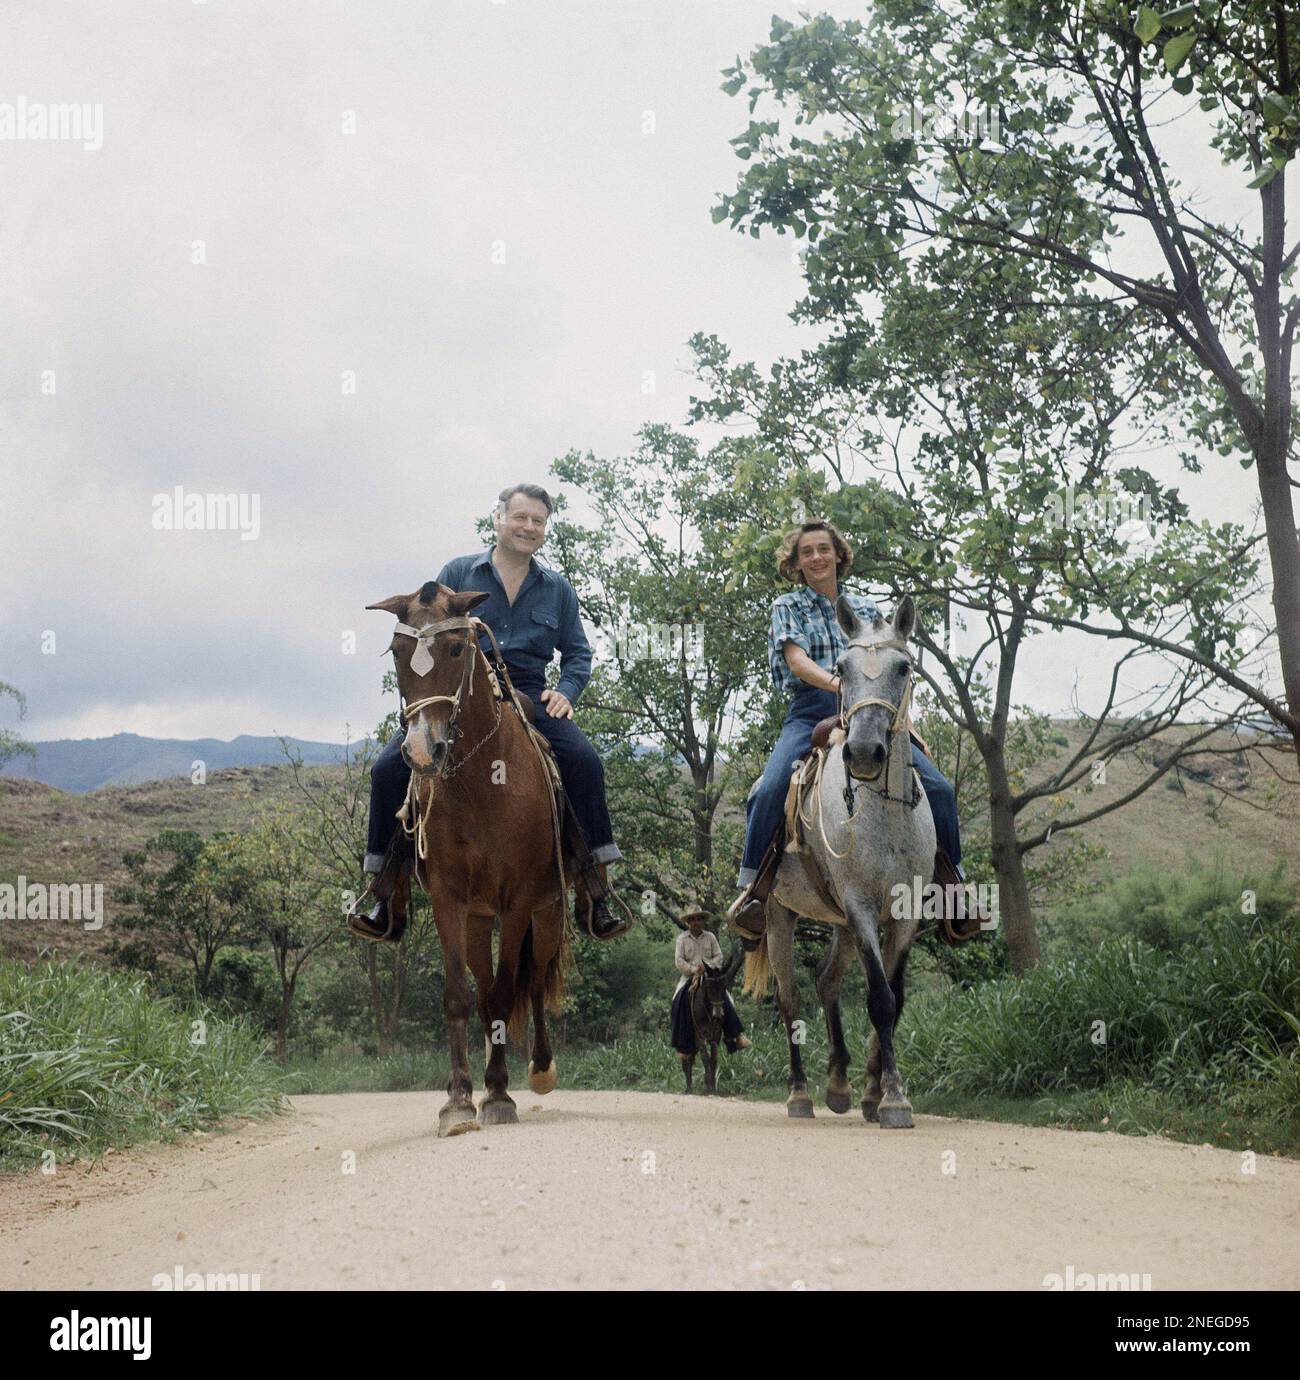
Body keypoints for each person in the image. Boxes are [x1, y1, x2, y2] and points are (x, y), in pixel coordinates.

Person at [350, 483, 631, 943]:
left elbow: (578, 653)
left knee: (584, 761)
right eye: (520, 517)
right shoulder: (459, 571)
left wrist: (568, 691)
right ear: (498, 519)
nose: (529, 527)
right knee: (386, 769)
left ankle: (595, 888)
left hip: (529, 695)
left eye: (538, 521)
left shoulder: (556, 589)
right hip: (461, 694)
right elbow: (428, 634)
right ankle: (386, 891)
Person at [726, 518, 964, 943]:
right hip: (811, 710)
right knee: (769, 788)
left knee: (940, 789)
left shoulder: (870, 611)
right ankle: (755, 889)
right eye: (807, 552)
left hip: (874, 714)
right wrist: (843, 685)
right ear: (797, 564)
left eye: (823, 549)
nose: (816, 557)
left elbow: (894, 675)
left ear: (838, 555)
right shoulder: (788, 606)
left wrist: (904, 723)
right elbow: (796, 662)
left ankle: (952, 887)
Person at [669, 907, 750, 1057]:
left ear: (702, 920)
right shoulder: (682, 939)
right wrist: (694, 969)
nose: (696, 922)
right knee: (678, 1001)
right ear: (688, 922)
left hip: (710, 976)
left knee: (726, 999)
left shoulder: (710, 937)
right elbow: (679, 961)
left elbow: (718, 956)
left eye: (699, 919)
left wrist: (707, 967)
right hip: (689, 977)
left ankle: (735, 1036)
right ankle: (683, 1046)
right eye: (692, 919)